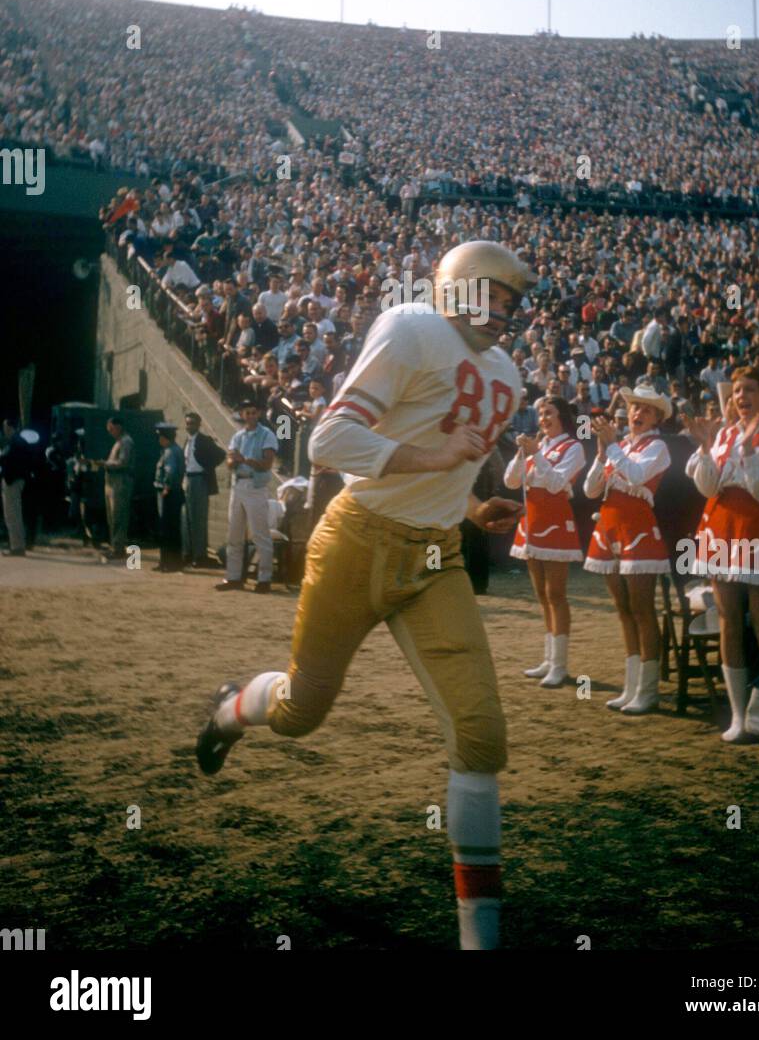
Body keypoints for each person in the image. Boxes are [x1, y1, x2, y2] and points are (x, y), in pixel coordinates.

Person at [195, 240, 533, 951]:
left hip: (436, 554)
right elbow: (329, 441)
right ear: (456, 289)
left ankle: (482, 941)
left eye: (513, 300)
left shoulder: (506, 374)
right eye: (493, 296)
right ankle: (232, 709)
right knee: (300, 711)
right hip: (358, 543)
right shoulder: (413, 327)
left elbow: (438, 456)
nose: (505, 312)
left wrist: (472, 506)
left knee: (482, 738)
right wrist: (435, 460)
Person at [683, 367, 759, 745]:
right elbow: (707, 486)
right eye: (736, 391)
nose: (741, 397)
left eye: (749, 389)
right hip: (719, 530)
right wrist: (704, 447)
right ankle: (737, 716)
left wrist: (748, 451)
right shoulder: (724, 434)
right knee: (729, 622)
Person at [583, 386, 672, 715]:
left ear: (657, 418)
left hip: (638, 530)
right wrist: (600, 451)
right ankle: (631, 686)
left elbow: (635, 477)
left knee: (642, 609)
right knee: (623, 609)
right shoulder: (621, 446)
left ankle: (648, 691)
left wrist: (613, 446)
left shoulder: (658, 447)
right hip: (609, 527)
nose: (637, 414)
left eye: (646, 410)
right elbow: (591, 489)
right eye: (635, 408)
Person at [504, 396, 585, 687]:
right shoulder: (541, 446)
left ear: (561, 416)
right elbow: (511, 482)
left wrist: (536, 454)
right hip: (532, 524)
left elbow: (555, 484)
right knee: (541, 595)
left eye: (548, 413)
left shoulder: (573, 447)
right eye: (540, 414)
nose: (542, 418)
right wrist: (520, 455)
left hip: (555, 523)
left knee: (556, 594)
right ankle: (549, 659)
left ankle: (560, 665)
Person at [215, 400, 278, 593]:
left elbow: (267, 463)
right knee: (234, 534)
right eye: (246, 413)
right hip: (238, 484)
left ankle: (264, 579)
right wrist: (232, 462)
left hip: (255, 485)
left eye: (253, 412)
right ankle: (234, 577)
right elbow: (230, 459)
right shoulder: (238, 436)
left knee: (260, 534)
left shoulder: (267, 435)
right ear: (242, 415)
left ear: (258, 414)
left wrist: (246, 460)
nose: (250, 416)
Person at [181, 412, 226, 566]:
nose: (189, 426)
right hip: (187, 479)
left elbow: (221, 454)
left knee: (198, 518)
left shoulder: (204, 440)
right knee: (186, 518)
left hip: (199, 479)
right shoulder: (186, 441)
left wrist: (207, 466)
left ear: (198, 425)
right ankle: (188, 553)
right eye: (187, 423)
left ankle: (199, 555)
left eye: (192, 423)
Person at [97, 417, 135, 562]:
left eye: (111, 429)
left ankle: (118, 548)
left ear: (118, 427)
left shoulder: (126, 442)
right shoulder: (119, 442)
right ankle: (115, 545)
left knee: (119, 515)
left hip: (121, 481)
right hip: (112, 481)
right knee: (112, 516)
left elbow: (123, 462)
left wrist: (105, 463)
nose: (110, 432)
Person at [153, 424, 185, 572]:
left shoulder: (170, 452)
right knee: (172, 528)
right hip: (174, 492)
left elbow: (170, 471)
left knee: (167, 529)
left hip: (168, 493)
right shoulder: (175, 449)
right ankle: (170, 562)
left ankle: (168, 562)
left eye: (160, 436)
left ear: (165, 438)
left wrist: (166, 487)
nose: (159, 439)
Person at [0, 418, 29, 556]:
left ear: (11, 427)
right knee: (13, 514)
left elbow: (9, 460)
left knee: (13, 515)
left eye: (5, 427)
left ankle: (17, 547)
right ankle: (17, 545)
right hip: (15, 480)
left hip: (12, 481)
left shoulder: (15, 442)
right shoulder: (19, 441)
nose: (4, 430)